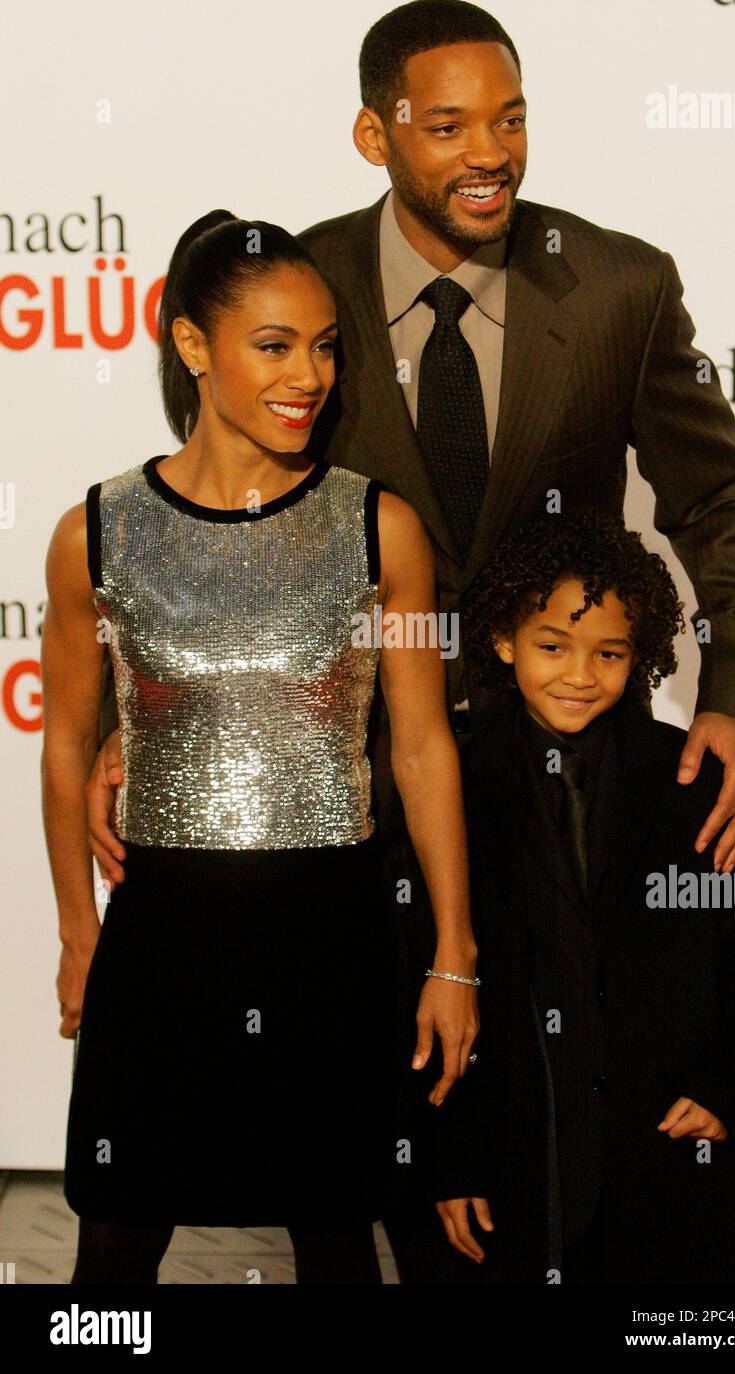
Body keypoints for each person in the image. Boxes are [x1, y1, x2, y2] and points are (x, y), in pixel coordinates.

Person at [86, 0, 735, 1278]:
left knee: (581, 1134)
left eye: (511, 117)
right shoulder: (302, 288)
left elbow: (725, 503)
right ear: (376, 133)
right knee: (383, 1161)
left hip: (555, 780)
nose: (492, 153)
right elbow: (219, 489)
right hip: (353, 791)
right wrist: (152, 714)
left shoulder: (622, 284)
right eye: (452, 123)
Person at [40, 212, 478, 1285]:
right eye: (274, 345)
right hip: (161, 934)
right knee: (115, 1244)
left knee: (337, 1237)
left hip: (334, 932)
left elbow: (421, 748)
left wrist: (454, 953)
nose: (310, 375)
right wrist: (77, 933)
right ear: (193, 346)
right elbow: (63, 747)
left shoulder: (381, 528)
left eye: (326, 345)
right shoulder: (93, 531)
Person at [431, 510, 735, 1284]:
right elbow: (418, 985)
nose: (579, 674)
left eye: (609, 652)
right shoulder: (450, 784)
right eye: (553, 646)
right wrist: (447, 1157)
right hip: (516, 1166)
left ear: (644, 655)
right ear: (503, 640)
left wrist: (725, 1087)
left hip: (671, 1164)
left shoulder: (695, 781)